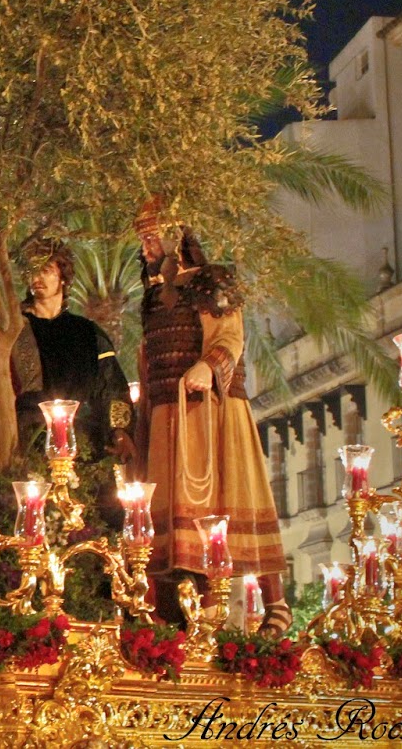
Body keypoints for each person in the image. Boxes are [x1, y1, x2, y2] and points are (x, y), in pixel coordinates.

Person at [133, 197, 288, 635]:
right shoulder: (151, 297)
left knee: (234, 497)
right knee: (176, 514)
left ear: (175, 233)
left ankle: (276, 604)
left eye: (152, 233)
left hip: (213, 411)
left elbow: (230, 337)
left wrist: (208, 365)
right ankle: (192, 611)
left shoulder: (212, 280)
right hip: (167, 415)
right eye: (142, 237)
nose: (147, 244)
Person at [7, 238, 135, 510]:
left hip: (85, 444)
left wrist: (120, 431)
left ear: (63, 277)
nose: (37, 277)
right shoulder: (14, 331)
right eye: (32, 270)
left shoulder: (87, 332)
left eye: (46, 269)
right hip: (29, 441)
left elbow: (111, 384)